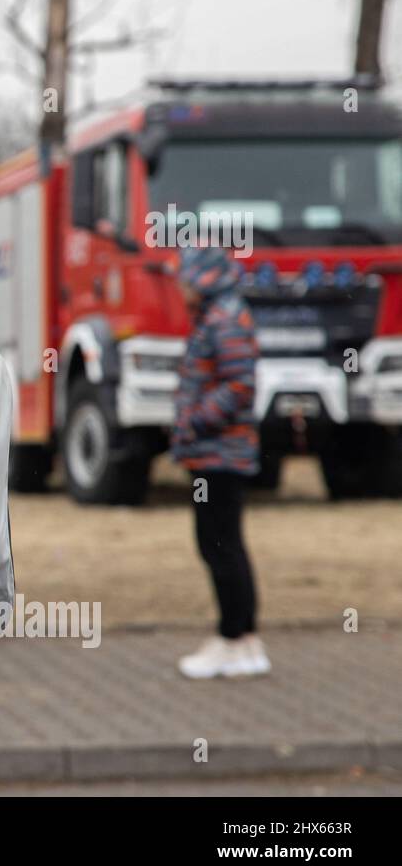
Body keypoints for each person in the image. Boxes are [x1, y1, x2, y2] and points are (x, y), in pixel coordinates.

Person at [171, 242, 271, 679]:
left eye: (186, 276)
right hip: (216, 453)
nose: (180, 286)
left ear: (203, 277)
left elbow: (239, 385)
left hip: (219, 455)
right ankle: (246, 640)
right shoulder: (218, 316)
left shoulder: (224, 319)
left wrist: (193, 420)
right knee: (226, 544)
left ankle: (231, 638)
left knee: (218, 546)